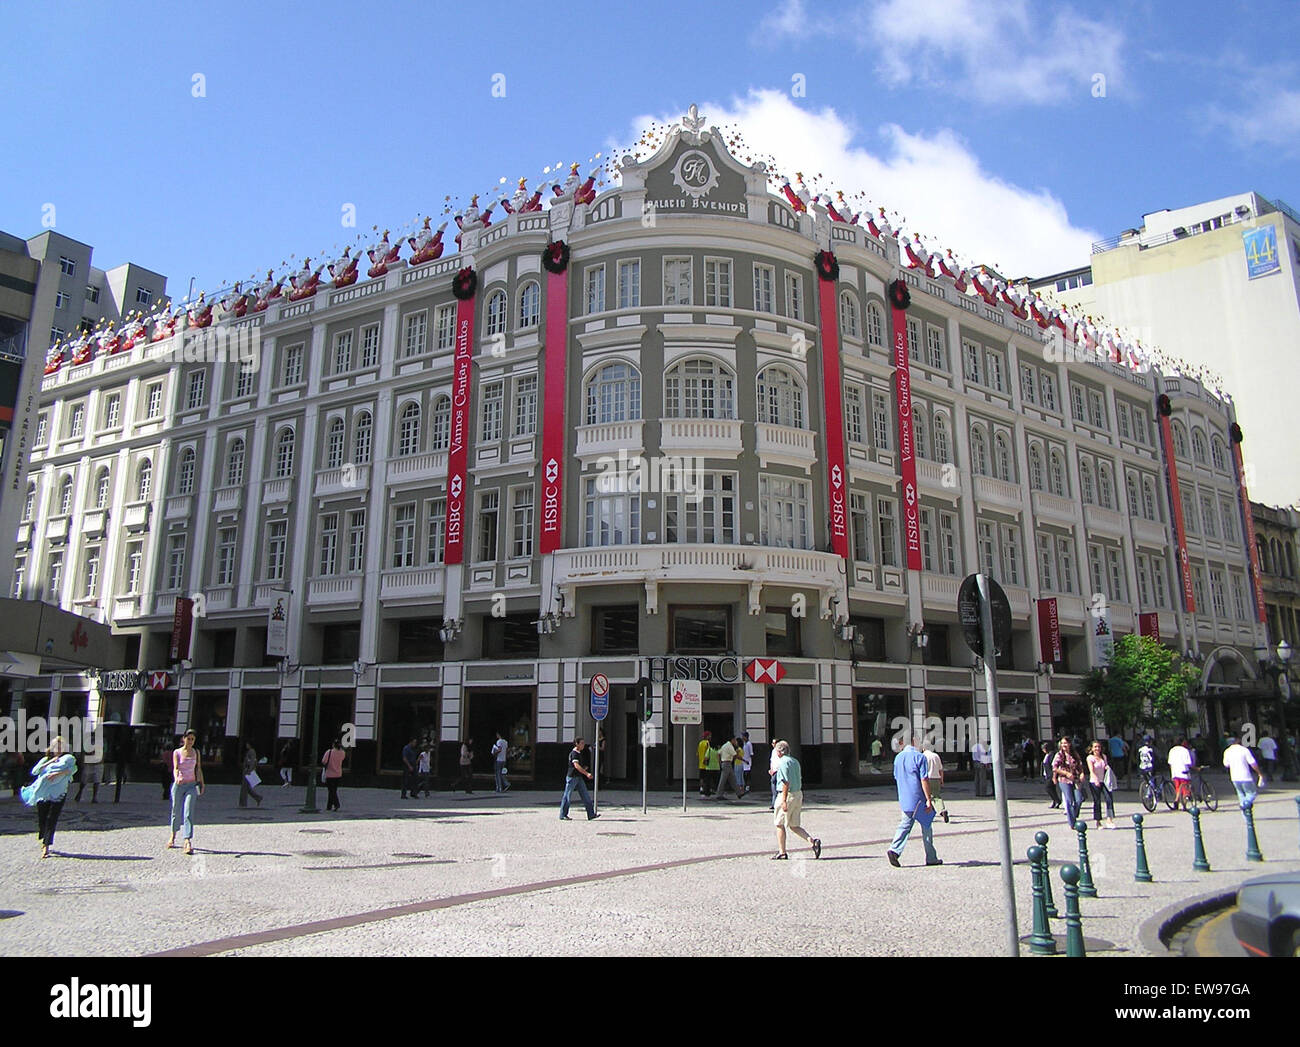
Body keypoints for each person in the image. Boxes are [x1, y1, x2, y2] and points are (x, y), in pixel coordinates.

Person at [887, 734, 940, 867]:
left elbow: (896, 777)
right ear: (913, 741)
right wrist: (928, 799)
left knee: (905, 825)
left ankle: (894, 850)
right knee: (927, 827)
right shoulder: (919, 757)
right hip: (918, 798)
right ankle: (931, 857)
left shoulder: (898, 758)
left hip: (905, 798)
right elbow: (924, 779)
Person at [22, 737, 77, 859]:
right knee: (42, 819)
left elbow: (73, 770)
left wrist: (58, 773)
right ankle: (43, 837)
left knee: (52, 818)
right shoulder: (46, 759)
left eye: (60, 746)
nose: (58, 749)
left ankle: (46, 845)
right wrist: (50, 762)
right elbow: (35, 771)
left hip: (59, 793)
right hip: (43, 793)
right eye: (56, 746)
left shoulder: (68, 759)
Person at [770, 740, 820, 860]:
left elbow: (785, 782)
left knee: (779, 824)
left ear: (779, 752)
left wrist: (783, 801)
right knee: (794, 825)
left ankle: (782, 852)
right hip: (798, 794)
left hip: (787, 794)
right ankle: (813, 842)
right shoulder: (795, 761)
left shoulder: (782, 763)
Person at [168, 730, 205, 855]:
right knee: (175, 810)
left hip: (191, 785)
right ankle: (173, 835)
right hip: (179, 785)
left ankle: (187, 840)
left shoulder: (196, 752)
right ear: (184, 739)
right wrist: (176, 777)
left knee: (188, 811)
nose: (190, 741)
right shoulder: (177, 752)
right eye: (188, 738)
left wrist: (202, 783)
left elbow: (198, 768)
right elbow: (176, 768)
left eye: (193, 739)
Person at [1222, 736, 1265, 812]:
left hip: (1234, 777)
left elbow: (1226, 764)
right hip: (1245, 776)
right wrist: (1259, 773)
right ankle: (1245, 805)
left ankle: (1244, 811)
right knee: (1252, 793)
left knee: (1240, 794)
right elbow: (1253, 763)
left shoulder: (1227, 751)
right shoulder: (1245, 750)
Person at [559, 737, 597, 820]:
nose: (583, 745)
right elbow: (576, 766)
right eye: (582, 743)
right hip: (572, 777)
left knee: (585, 795)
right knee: (567, 795)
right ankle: (563, 814)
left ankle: (591, 814)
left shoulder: (579, 753)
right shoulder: (574, 753)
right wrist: (586, 773)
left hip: (578, 777)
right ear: (577, 743)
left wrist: (584, 768)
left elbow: (578, 766)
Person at [1051, 737, 1085, 830]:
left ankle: (1074, 815)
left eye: (1065, 743)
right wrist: (1065, 773)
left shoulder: (1074, 754)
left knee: (1079, 799)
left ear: (1070, 744)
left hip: (1075, 779)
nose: (1064, 745)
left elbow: (1080, 765)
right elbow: (1054, 767)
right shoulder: (1059, 755)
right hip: (1064, 780)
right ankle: (1072, 823)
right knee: (1069, 801)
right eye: (1062, 743)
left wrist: (1082, 774)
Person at [1086, 741, 1116, 828]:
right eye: (1095, 747)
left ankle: (1109, 819)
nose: (1097, 749)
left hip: (1104, 781)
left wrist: (1107, 767)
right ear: (1091, 748)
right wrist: (1095, 780)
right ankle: (1098, 821)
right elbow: (1091, 770)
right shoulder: (1090, 758)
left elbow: (1105, 766)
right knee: (1097, 801)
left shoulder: (1103, 757)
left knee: (1109, 799)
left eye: (1098, 747)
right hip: (1094, 781)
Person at [923, 740, 949, 823]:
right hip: (936, 778)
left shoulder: (922, 756)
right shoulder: (936, 756)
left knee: (926, 796)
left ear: (923, 748)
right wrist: (941, 779)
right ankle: (942, 809)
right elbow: (941, 769)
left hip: (926, 779)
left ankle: (928, 813)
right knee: (937, 796)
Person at [1167, 736, 1193, 810]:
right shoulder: (1184, 750)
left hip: (1175, 772)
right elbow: (1188, 762)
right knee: (1186, 788)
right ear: (1182, 742)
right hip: (1183, 771)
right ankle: (1184, 803)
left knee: (1178, 787)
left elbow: (1170, 762)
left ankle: (1176, 800)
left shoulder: (1172, 750)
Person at [321, 738, 346, 811]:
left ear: (333, 745)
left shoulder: (329, 752)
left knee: (331, 790)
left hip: (330, 774)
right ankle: (329, 806)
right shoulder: (342, 753)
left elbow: (324, 761)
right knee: (333, 790)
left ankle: (336, 804)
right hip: (338, 774)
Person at [714, 736, 742, 800]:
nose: (735, 742)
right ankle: (719, 794)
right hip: (727, 763)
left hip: (726, 763)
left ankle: (739, 793)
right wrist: (744, 760)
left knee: (733, 779)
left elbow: (718, 753)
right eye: (735, 740)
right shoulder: (729, 746)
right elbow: (735, 755)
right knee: (723, 780)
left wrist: (720, 763)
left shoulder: (725, 745)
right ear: (732, 740)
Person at [238, 742, 264, 808]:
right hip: (247, 770)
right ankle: (258, 797)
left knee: (244, 787)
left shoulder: (252, 751)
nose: (246, 745)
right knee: (247, 787)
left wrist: (250, 770)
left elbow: (252, 761)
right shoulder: (250, 751)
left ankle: (243, 803)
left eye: (247, 744)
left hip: (247, 770)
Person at [112, 729, 135, 803]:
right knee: (119, 773)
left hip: (121, 759)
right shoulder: (127, 740)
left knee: (119, 773)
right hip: (122, 759)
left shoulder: (122, 742)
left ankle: (117, 797)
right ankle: (123, 776)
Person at [1042, 743, 1061, 808]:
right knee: (1052, 788)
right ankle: (1054, 801)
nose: (1043, 750)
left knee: (1048, 788)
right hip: (1046, 774)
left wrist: (1054, 775)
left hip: (1051, 774)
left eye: (1044, 748)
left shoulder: (1051, 754)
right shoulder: (1046, 755)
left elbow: (1053, 765)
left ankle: (1057, 800)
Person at [697, 730, 713, 796]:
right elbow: (709, 752)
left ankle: (701, 788)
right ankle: (707, 789)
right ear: (707, 736)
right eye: (709, 735)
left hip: (700, 763)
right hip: (706, 764)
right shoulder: (707, 743)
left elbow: (697, 754)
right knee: (707, 777)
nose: (710, 737)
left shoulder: (700, 743)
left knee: (701, 777)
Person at [769, 742, 782, 811]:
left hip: (778, 771)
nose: (773, 744)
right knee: (774, 789)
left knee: (779, 788)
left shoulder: (780, 752)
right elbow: (772, 761)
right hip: (773, 771)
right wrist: (771, 769)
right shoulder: (773, 751)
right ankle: (774, 804)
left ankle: (777, 804)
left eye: (775, 743)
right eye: (773, 743)